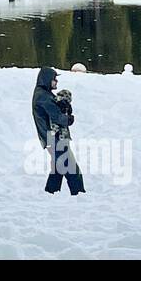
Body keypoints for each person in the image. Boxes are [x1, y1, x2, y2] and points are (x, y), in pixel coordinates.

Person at [32, 66, 84, 195]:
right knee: (70, 167)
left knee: (59, 166)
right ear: (47, 79)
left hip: (51, 137)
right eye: (54, 79)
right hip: (54, 137)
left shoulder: (44, 94)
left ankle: (50, 192)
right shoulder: (43, 96)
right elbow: (57, 117)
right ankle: (79, 194)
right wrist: (69, 119)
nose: (56, 82)